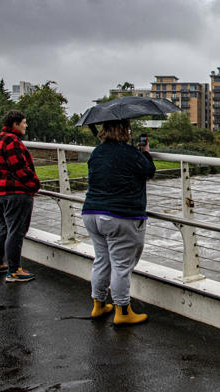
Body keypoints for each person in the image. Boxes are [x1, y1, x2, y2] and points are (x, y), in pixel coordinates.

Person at [81, 119, 155, 324]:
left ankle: (98, 304)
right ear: (125, 131)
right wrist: (145, 152)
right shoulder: (131, 154)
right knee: (121, 266)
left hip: (92, 212)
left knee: (102, 260)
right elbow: (149, 171)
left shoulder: (97, 152)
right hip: (120, 216)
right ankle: (122, 312)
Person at [0, 110, 41, 282]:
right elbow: (20, 169)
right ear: (15, 124)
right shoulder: (13, 142)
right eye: (24, 123)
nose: (26, 126)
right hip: (15, 193)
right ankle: (14, 270)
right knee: (16, 231)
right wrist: (35, 184)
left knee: (4, 228)